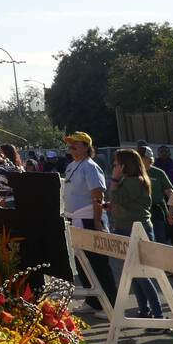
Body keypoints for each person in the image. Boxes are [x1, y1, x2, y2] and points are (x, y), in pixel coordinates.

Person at [62, 131, 117, 310]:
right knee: (82, 264)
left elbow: (97, 195)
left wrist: (97, 222)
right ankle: (92, 301)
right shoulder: (71, 166)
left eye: (76, 143)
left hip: (88, 219)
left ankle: (109, 303)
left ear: (86, 147)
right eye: (70, 143)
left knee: (98, 264)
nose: (71, 146)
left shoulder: (90, 166)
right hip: (75, 220)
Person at [107, 149, 164, 318]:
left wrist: (115, 179)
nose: (114, 167)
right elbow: (123, 201)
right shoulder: (131, 180)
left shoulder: (133, 181)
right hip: (129, 227)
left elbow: (117, 197)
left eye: (117, 164)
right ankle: (144, 310)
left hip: (135, 230)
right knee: (135, 274)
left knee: (140, 275)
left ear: (126, 165)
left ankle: (158, 313)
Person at [136, 143, 173, 247]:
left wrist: (172, 210)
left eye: (143, 157)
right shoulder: (133, 174)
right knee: (143, 239)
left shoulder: (158, 173)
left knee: (161, 238)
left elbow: (169, 192)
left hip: (157, 210)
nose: (140, 159)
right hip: (140, 210)